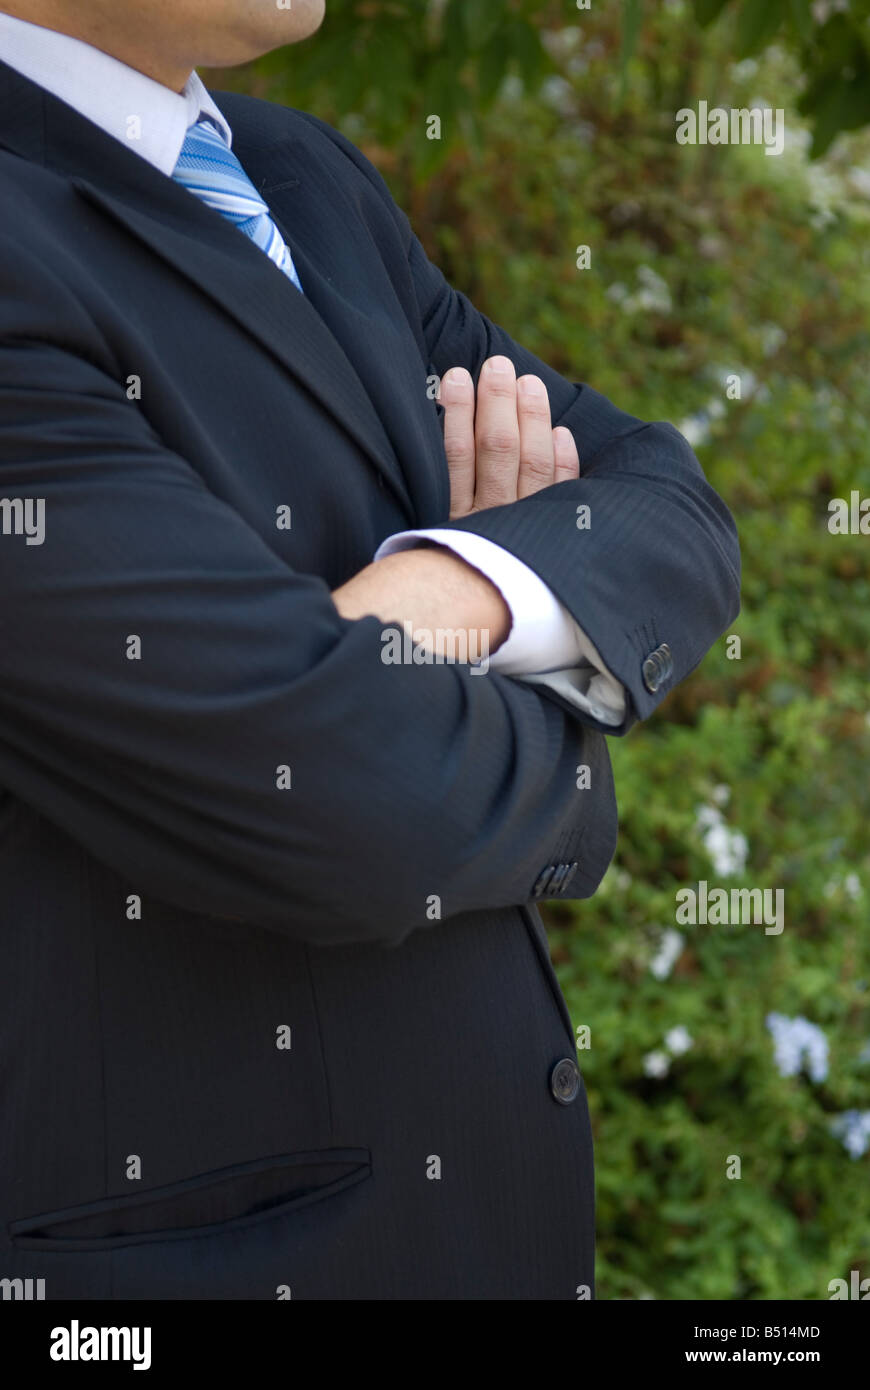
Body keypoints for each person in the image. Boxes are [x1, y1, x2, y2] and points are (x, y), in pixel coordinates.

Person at [0, 0, 740, 1299]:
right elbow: (345, 796)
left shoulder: (302, 175)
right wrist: (555, 680)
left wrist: (447, 584)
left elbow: (662, 496)